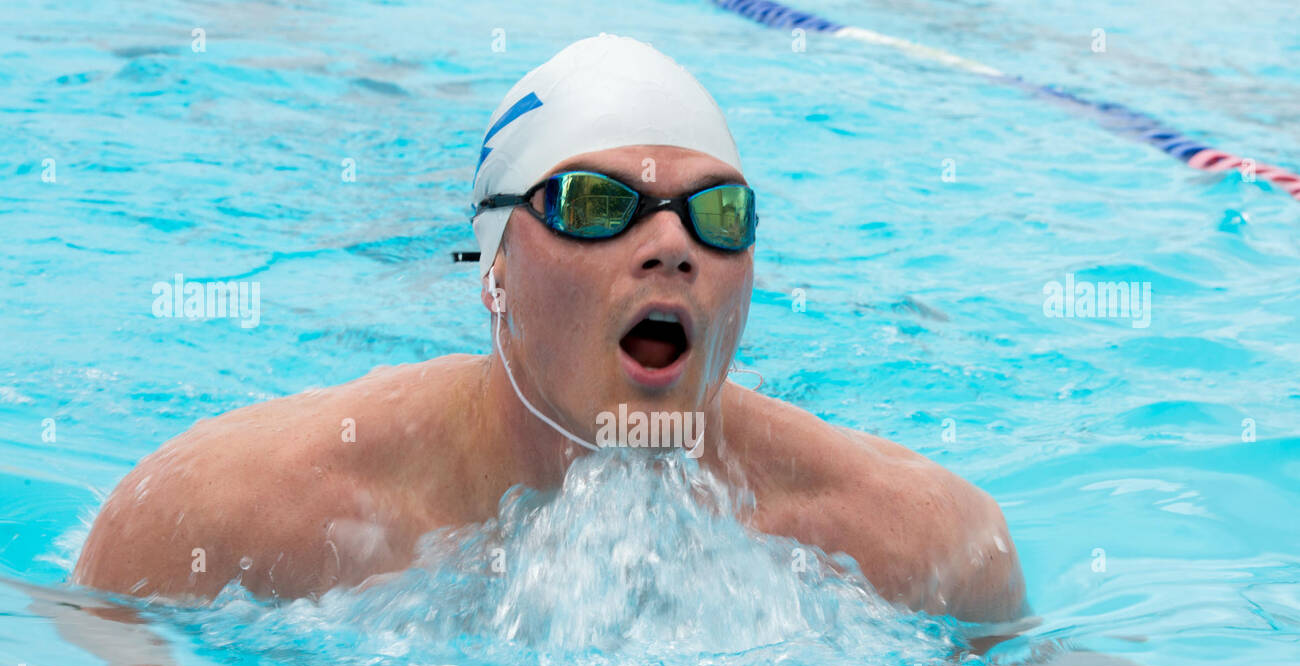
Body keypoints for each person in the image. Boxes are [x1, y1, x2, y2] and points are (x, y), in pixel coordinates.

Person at [74, 34, 1026, 623]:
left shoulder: (923, 543)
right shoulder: (236, 510)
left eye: (717, 212)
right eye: (595, 204)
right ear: (494, 269)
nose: (670, 244)